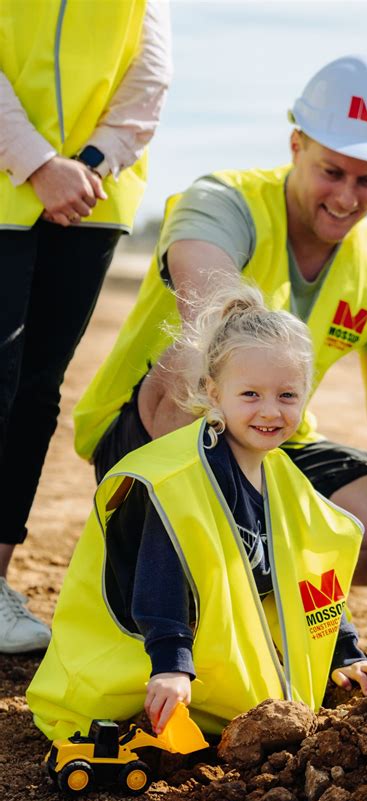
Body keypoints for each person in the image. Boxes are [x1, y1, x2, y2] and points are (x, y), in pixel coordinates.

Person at [73, 54, 367, 612]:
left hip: (270, 437)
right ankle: (176, 575)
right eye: (332, 172)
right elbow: (209, 315)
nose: (346, 198)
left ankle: (258, 587)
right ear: (296, 145)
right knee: (199, 359)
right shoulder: (222, 202)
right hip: (157, 427)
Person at [27, 285, 367, 740]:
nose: (270, 411)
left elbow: (310, 574)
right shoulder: (179, 478)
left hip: (222, 692)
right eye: (251, 394)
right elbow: (159, 578)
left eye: (287, 395)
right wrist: (172, 665)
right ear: (213, 392)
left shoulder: (283, 478)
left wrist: (344, 652)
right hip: (139, 676)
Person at [0, 0, 173, 653]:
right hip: (10, 183)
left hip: (91, 199)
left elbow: (150, 75)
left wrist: (91, 164)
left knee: (35, 387)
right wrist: (40, 164)